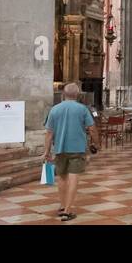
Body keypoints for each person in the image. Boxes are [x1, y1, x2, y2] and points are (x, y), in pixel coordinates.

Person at [43, 82, 99, 221]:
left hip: (60, 148)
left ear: (63, 94)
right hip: (78, 149)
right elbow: (92, 128)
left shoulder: (54, 109)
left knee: (62, 178)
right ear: (77, 95)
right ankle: (67, 211)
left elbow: (49, 133)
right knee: (73, 179)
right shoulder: (82, 109)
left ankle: (62, 206)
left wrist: (46, 151)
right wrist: (96, 144)